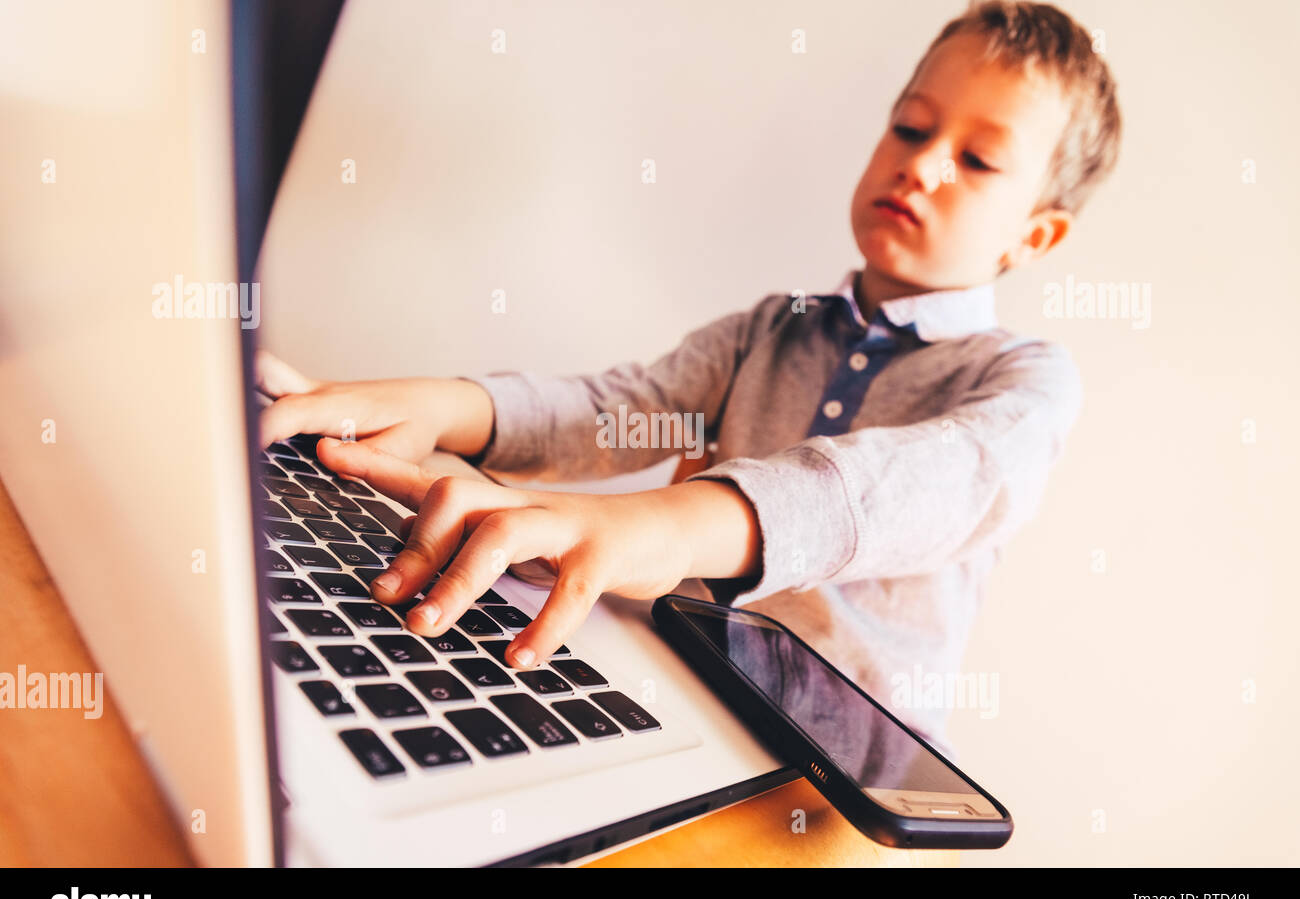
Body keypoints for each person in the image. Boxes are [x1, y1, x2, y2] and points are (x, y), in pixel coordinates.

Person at [259, 1, 1120, 753]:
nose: (922, 164)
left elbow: (894, 490)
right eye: (911, 126)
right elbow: (621, 413)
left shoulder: (1024, 386)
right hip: (673, 687)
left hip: (845, 772)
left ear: (1033, 238)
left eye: (978, 161)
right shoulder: (770, 330)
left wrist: (660, 527)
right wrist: (445, 408)